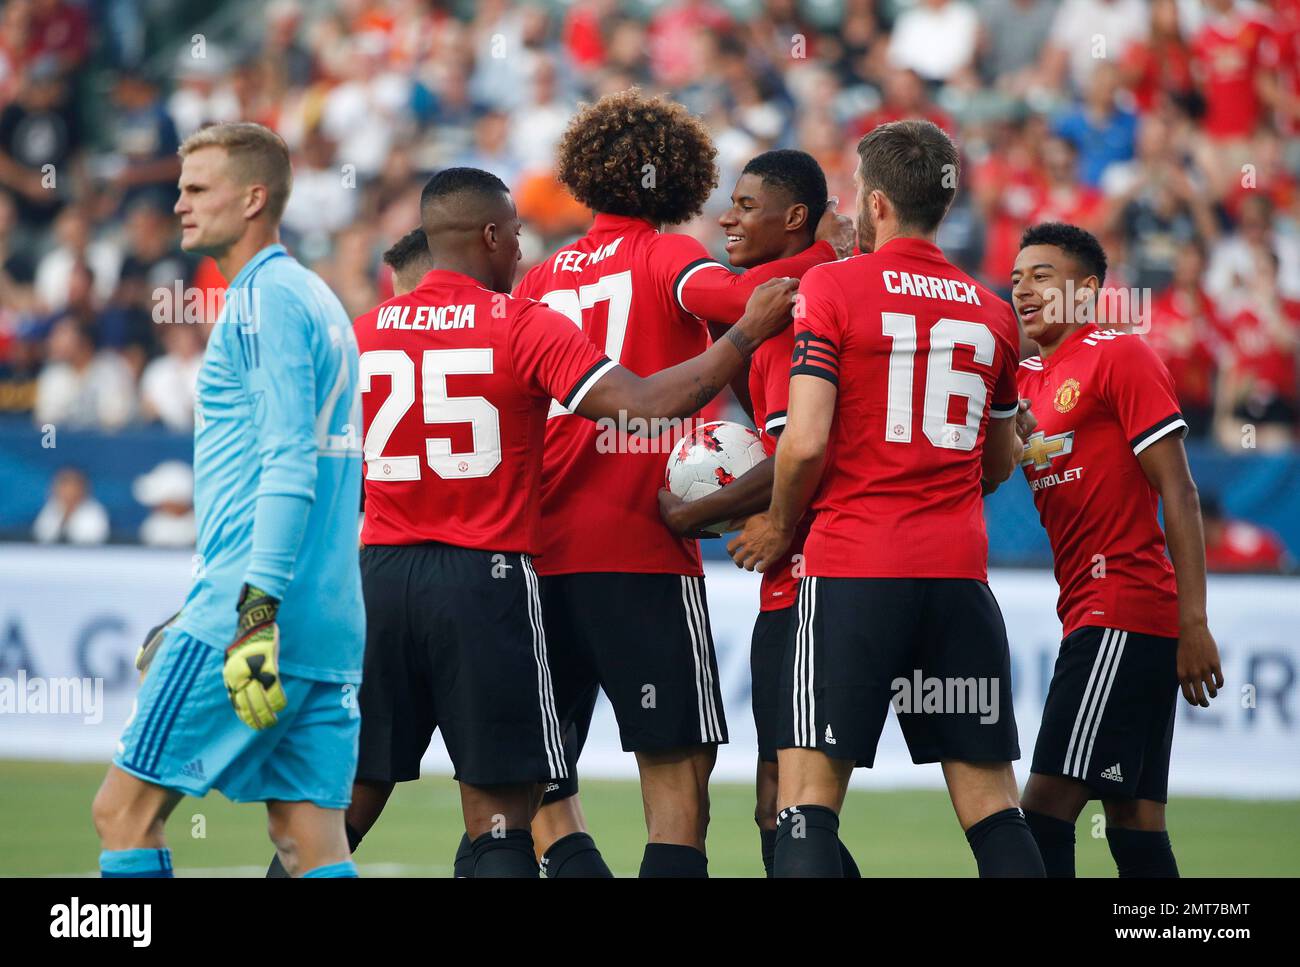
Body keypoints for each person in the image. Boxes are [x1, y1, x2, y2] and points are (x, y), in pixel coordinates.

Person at [345, 166, 800, 877]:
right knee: (675, 784)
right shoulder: (652, 259)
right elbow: (714, 327)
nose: (522, 250)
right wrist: (820, 265)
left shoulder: (496, 294)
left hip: (478, 565)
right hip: (618, 552)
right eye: (515, 235)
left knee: (511, 796)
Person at [511, 89, 854, 878]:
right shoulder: (665, 256)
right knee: (678, 794)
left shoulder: (537, 281)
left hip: (542, 554)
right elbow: (750, 301)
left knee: (536, 781)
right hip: (642, 548)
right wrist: (828, 250)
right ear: (676, 181)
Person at [727, 120, 1042, 877]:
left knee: (804, 802)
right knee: (994, 805)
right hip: (958, 580)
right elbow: (1000, 464)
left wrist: (776, 524)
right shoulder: (992, 310)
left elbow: (802, 442)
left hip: (850, 574)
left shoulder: (832, 285)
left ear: (873, 205)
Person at [91, 121, 365, 878]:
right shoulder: (318, 299)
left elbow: (287, 467)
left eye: (196, 188)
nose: (177, 203)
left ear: (252, 198)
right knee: (309, 839)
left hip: (251, 611)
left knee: (123, 813)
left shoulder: (259, 303)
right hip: (329, 619)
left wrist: (251, 610)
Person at [657, 149, 860, 877]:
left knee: (788, 804)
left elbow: (798, 451)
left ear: (795, 219)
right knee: (788, 802)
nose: (726, 217)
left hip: (818, 578)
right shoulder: (796, 296)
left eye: (745, 206)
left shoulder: (805, 300)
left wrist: (694, 513)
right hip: (837, 575)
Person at [1009, 222, 1224, 877]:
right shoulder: (1020, 384)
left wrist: (1194, 621)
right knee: (1132, 816)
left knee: (1043, 809)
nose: (1023, 289)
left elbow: (1180, 491)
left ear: (1087, 290)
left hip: (1123, 609)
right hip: (1092, 612)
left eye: (1042, 275)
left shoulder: (1118, 355)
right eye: (1016, 277)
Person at [32, 466, 109, 545]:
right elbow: (40, 535)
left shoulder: (94, 510)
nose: (68, 491)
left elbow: (94, 539)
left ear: (81, 488)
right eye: (63, 485)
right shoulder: (51, 507)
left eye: (72, 486)